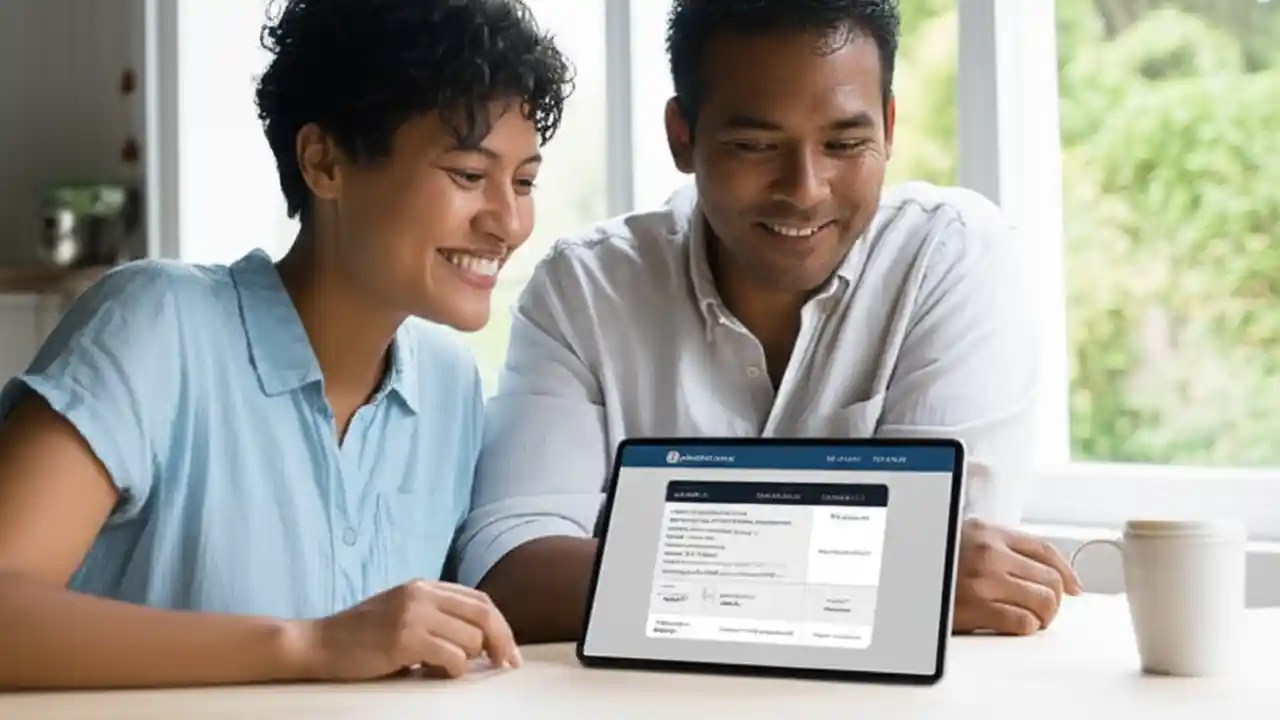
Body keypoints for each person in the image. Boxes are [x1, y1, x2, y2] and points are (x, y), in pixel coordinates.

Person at [457, 0, 1084, 644]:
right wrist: (872, 568)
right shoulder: (586, 289)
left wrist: (680, 567)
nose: (806, 189)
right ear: (682, 136)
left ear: (889, 127)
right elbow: (513, 573)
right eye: (756, 145)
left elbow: (959, 578)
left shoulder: (947, 257)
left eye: (845, 144)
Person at [0, 0, 571, 689]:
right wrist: (313, 646)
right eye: (468, 176)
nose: (508, 221)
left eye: (526, 182)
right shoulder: (155, 325)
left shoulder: (449, 387)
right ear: (324, 161)